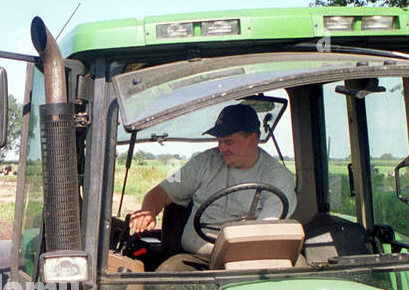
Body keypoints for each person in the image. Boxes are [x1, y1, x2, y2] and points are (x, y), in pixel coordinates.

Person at [127, 103, 296, 269]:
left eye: (229, 142)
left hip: (248, 262)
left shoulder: (278, 178)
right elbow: (161, 191)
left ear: (253, 139)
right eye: (219, 141)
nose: (221, 148)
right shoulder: (203, 162)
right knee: (168, 274)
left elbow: (264, 234)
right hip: (197, 259)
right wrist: (148, 210)